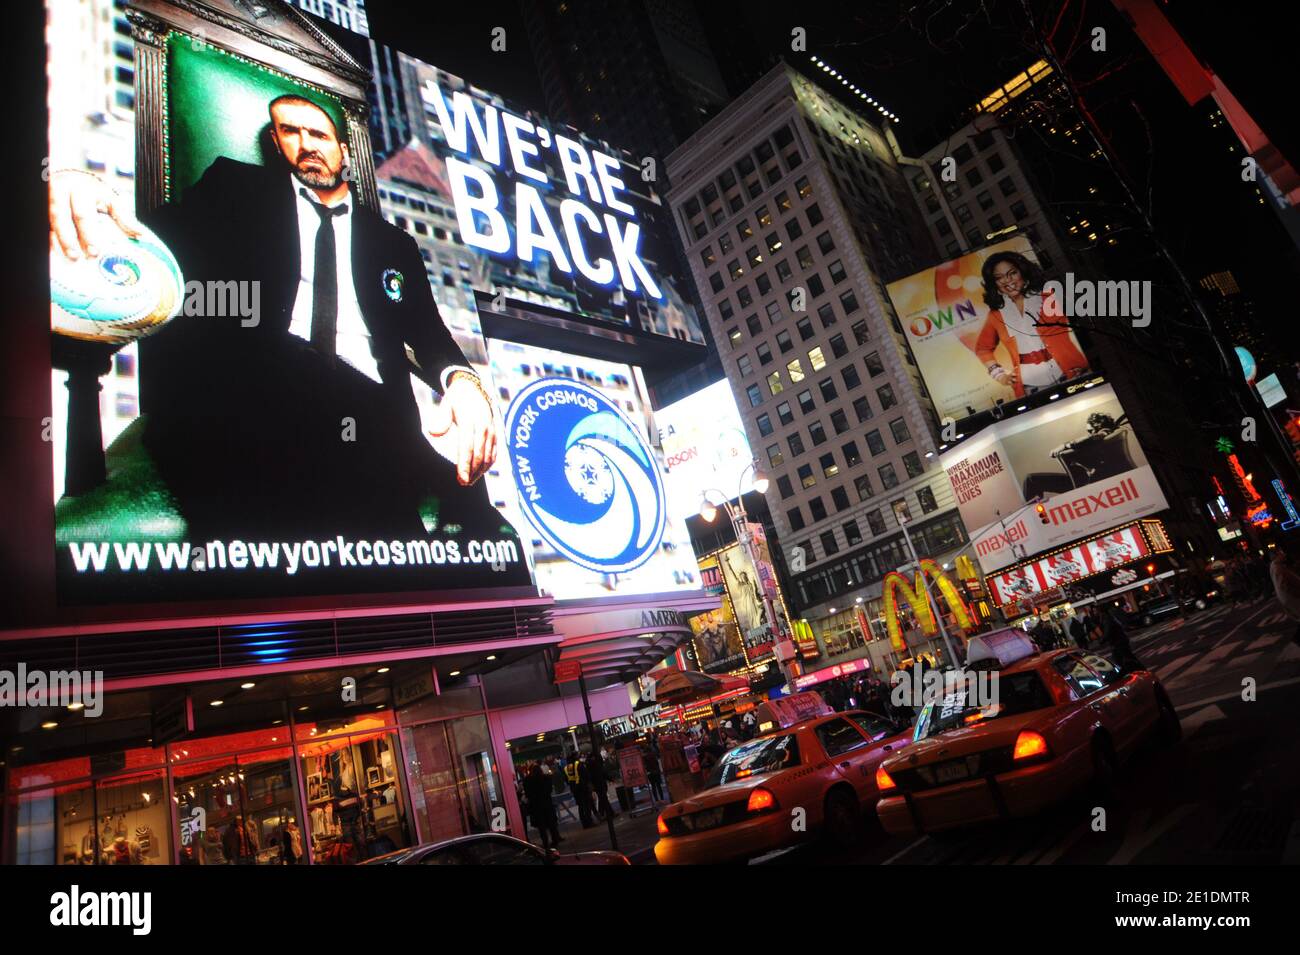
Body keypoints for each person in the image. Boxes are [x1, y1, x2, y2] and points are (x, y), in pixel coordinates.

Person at [46, 94, 530, 585]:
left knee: (445, 472)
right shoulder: (234, 188)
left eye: (318, 135)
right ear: (276, 143)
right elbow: (148, 241)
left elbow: (429, 335)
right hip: (253, 399)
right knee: (301, 373)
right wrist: (82, 191)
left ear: (343, 150)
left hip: (373, 419)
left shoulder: (393, 244)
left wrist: (464, 382)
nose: (306, 145)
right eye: (289, 132)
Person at [974, 252, 1089, 398]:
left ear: (1023, 272)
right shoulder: (996, 315)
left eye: (1013, 273)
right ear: (994, 283)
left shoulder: (1048, 297)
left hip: (1071, 372)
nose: (1007, 280)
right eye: (999, 277)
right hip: (1029, 386)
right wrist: (1000, 375)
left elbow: (1080, 321)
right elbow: (982, 349)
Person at [523, 762, 561, 850]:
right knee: (551, 823)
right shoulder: (546, 778)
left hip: (536, 806)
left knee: (541, 827)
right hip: (547, 804)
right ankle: (555, 840)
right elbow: (549, 790)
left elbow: (528, 793)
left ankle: (545, 843)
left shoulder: (528, 780)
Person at [1270, 549, 1300, 646]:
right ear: (1277, 555)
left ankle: (1297, 638)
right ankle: (1297, 638)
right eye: (1281, 553)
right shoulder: (1278, 568)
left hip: (1287, 598)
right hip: (1292, 597)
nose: (1284, 554)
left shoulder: (1275, 566)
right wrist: (1296, 594)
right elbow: (1284, 585)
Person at [564, 751, 595, 828]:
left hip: (574, 789)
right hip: (582, 787)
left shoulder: (566, 767)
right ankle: (589, 821)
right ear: (575, 757)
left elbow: (566, 779)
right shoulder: (578, 764)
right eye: (577, 755)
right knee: (586, 805)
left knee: (580, 806)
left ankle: (584, 823)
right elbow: (585, 775)